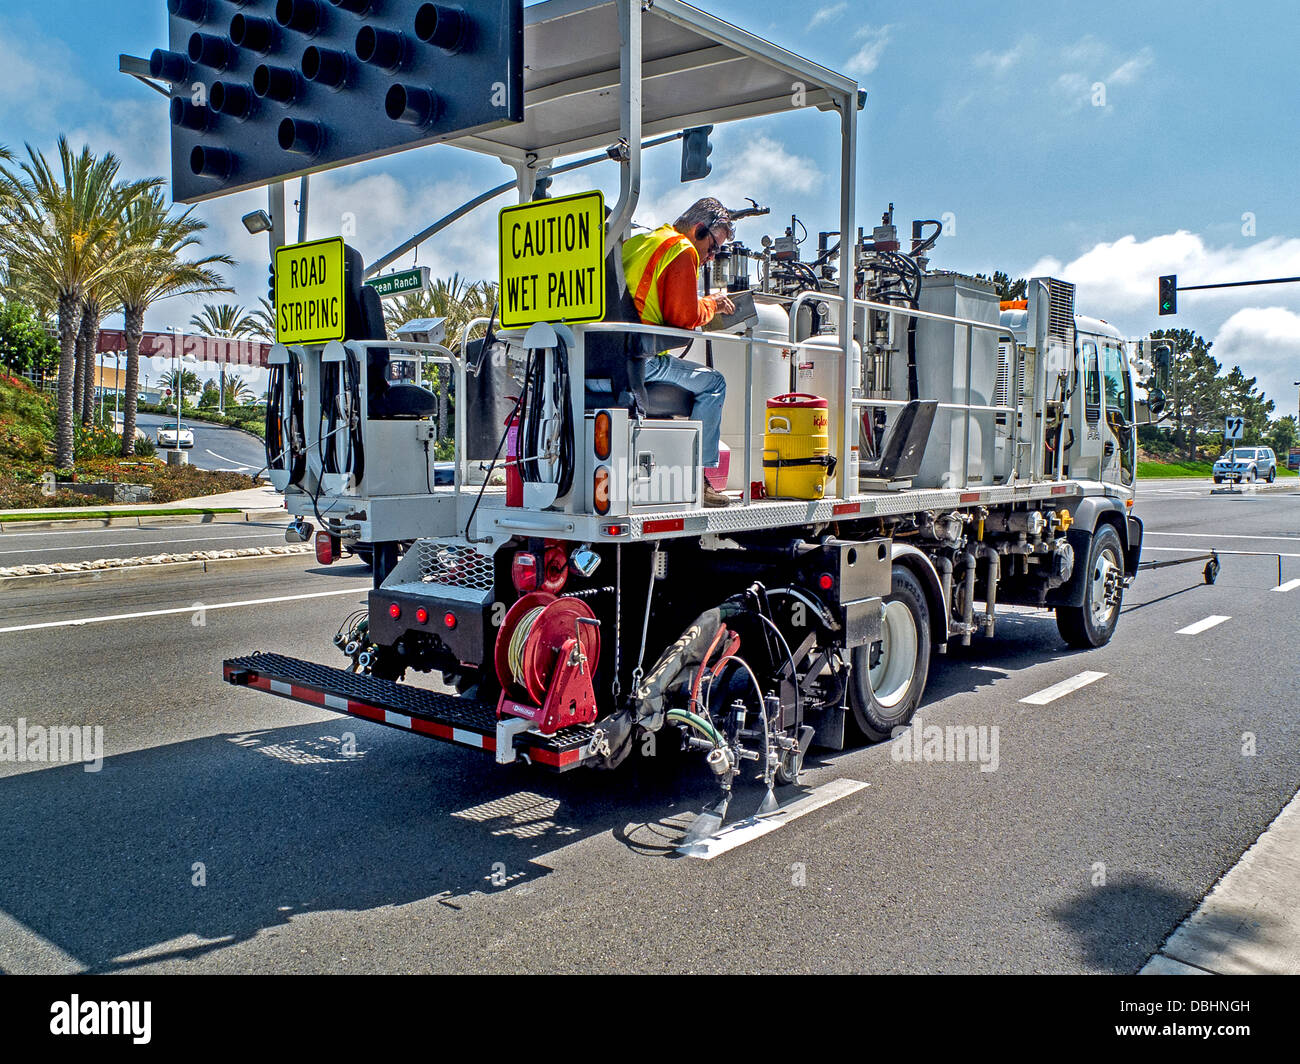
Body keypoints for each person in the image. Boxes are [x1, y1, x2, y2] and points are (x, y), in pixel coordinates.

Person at [622, 197, 737, 507]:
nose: (711, 257)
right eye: (713, 247)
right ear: (699, 230)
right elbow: (683, 317)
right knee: (714, 383)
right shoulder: (682, 250)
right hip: (641, 359)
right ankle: (699, 478)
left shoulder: (646, 240)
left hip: (607, 353)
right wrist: (713, 304)